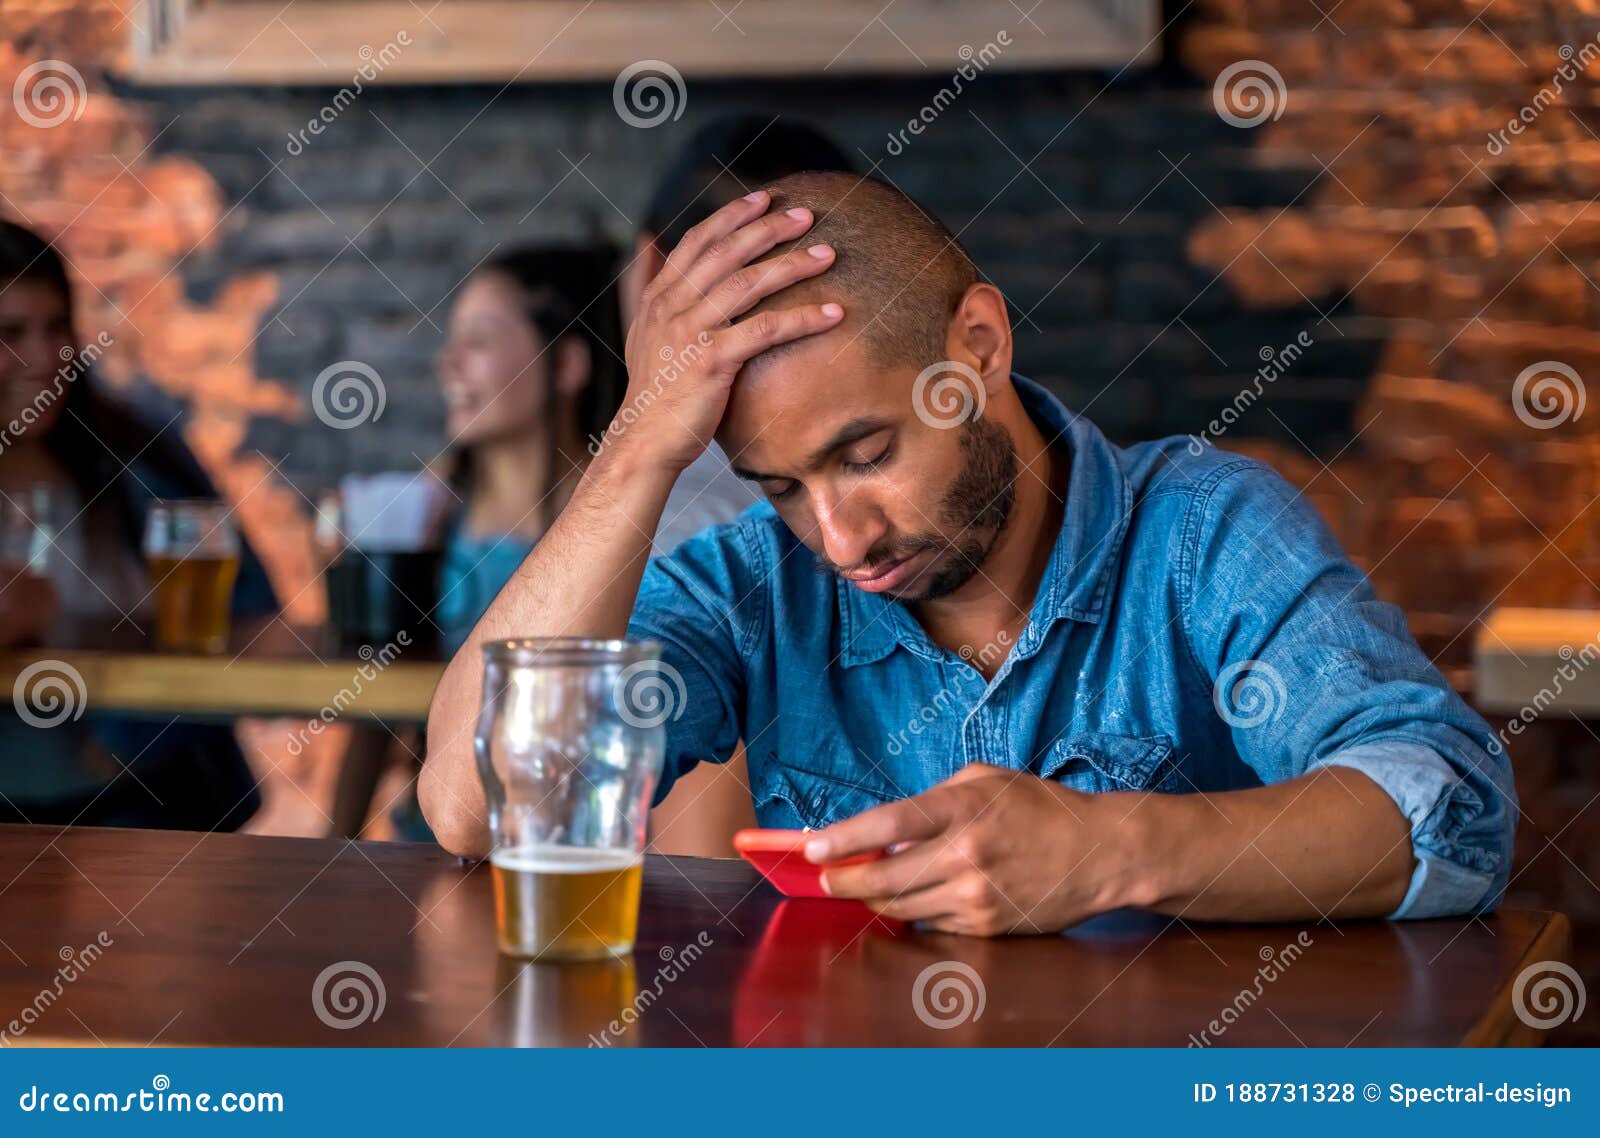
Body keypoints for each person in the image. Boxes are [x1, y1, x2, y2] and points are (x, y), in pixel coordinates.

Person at [421, 172, 1517, 934]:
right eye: (781, 487)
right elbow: (478, 804)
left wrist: (1111, 850)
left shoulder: (1205, 534)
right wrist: (635, 450)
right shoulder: (752, 587)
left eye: (865, 453)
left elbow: (1449, 806)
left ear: (977, 348)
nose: (840, 539)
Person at [0, 218, 277, 830]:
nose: (44, 358)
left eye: (56, 328)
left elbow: (254, 613)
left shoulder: (138, 455)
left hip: (146, 804)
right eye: (10, 333)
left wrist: (129, 734)